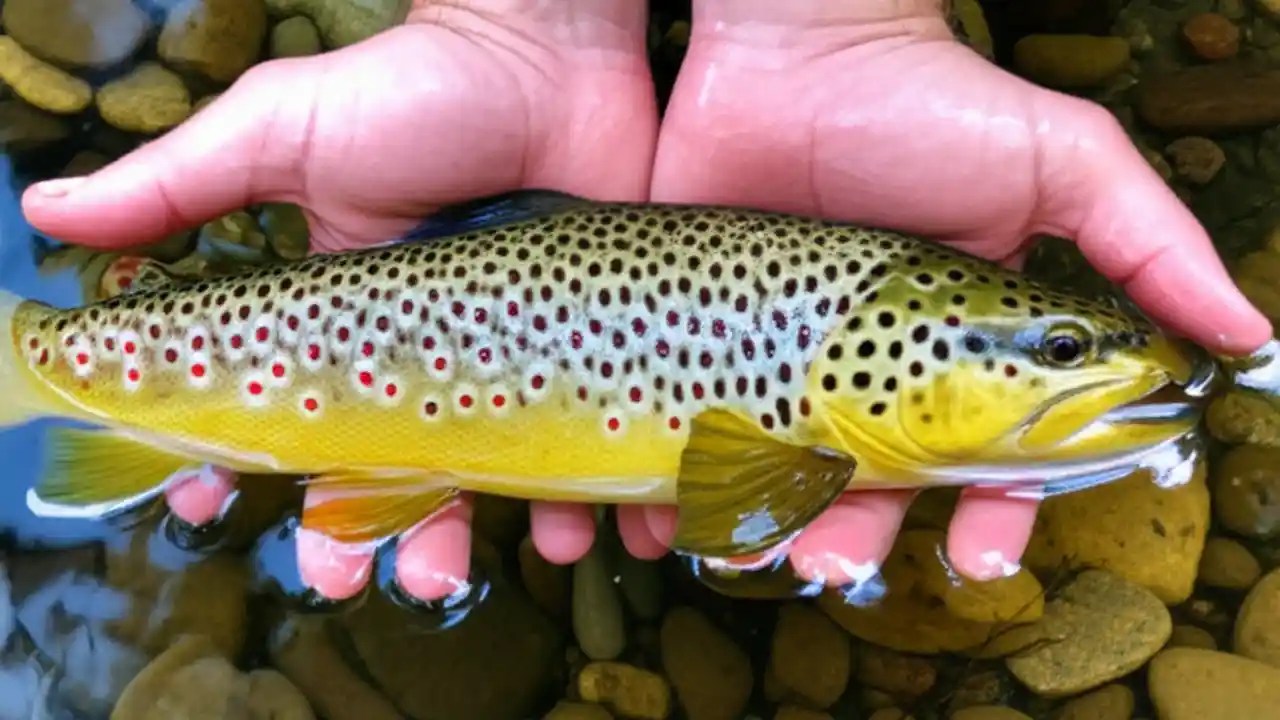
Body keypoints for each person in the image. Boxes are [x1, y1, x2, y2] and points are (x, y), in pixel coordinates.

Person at [20, 0, 1270, 604]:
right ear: (883, 351)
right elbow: (734, 512)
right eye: (1055, 346)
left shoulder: (828, 392)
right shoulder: (800, 442)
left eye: (1063, 348)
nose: (1094, 365)